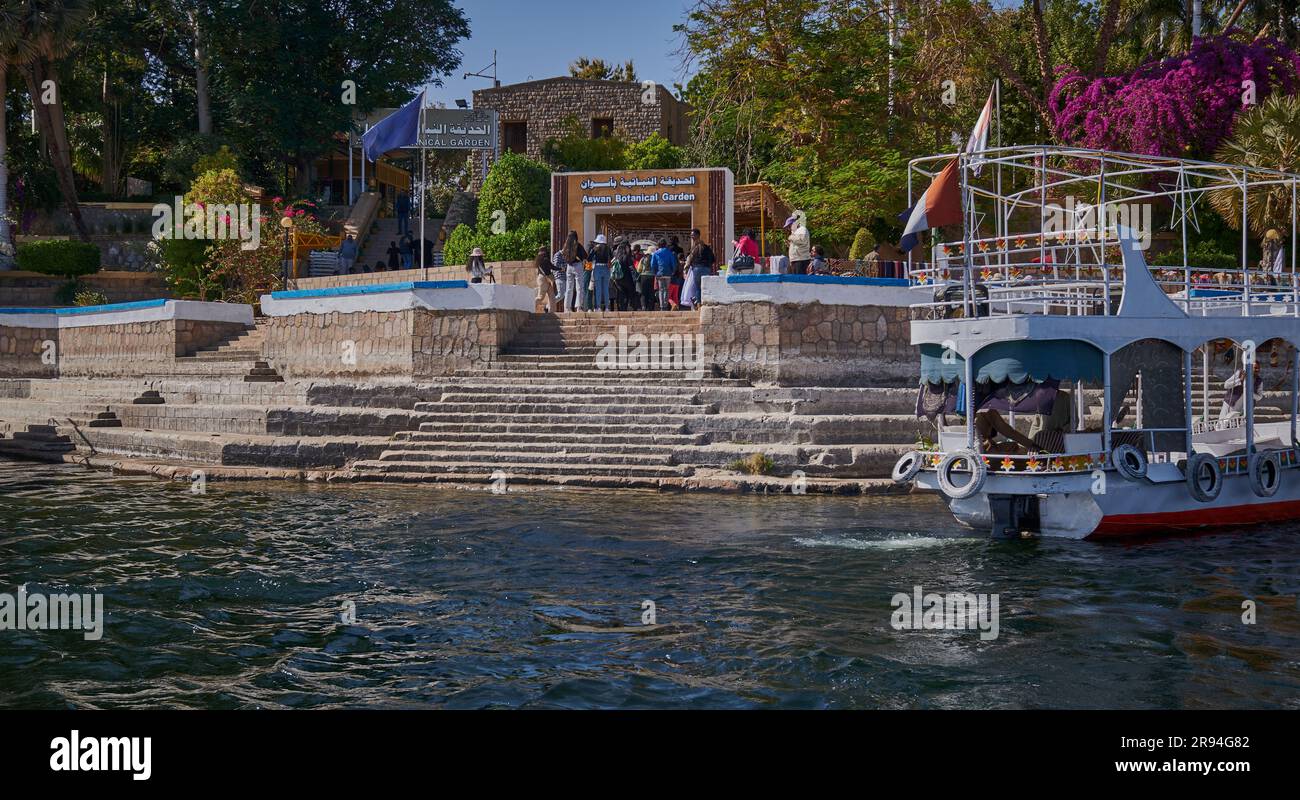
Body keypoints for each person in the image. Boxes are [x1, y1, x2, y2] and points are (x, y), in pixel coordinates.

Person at [682, 228, 716, 309]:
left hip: (697, 268)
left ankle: (699, 306)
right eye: (691, 236)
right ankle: (704, 305)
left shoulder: (694, 248)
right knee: (704, 286)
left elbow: (690, 259)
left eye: (693, 235)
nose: (692, 237)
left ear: (697, 235)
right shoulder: (707, 247)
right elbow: (713, 259)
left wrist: (686, 269)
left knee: (698, 288)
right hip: (706, 268)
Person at [562, 231, 588, 314]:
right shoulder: (578, 245)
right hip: (577, 266)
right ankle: (578, 307)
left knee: (569, 288)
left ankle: (567, 308)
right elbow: (585, 255)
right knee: (579, 287)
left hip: (569, 267)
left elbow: (563, 256)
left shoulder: (565, 246)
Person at [589, 233, 613, 312]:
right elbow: (612, 258)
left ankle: (598, 307)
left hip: (598, 268)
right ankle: (607, 307)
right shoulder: (608, 248)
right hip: (606, 268)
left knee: (598, 289)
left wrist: (593, 250)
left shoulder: (596, 248)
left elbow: (589, 258)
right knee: (606, 289)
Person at [651, 238, 677, 311]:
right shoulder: (669, 253)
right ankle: (665, 305)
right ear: (665, 245)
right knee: (667, 290)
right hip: (668, 273)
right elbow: (673, 263)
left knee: (661, 290)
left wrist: (655, 272)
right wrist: (673, 271)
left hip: (659, 274)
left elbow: (653, 264)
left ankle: (662, 306)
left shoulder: (655, 253)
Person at [536, 245, 556, 312]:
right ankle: (530, 305)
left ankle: (551, 311)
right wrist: (561, 269)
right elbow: (551, 267)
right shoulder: (545, 259)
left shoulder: (538, 259)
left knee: (552, 296)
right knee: (541, 297)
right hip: (546, 278)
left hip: (541, 278)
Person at [638, 245, 658, 311]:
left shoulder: (643, 259)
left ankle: (643, 306)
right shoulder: (655, 258)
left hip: (643, 277)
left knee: (643, 293)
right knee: (651, 293)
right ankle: (650, 308)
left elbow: (639, 269)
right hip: (652, 277)